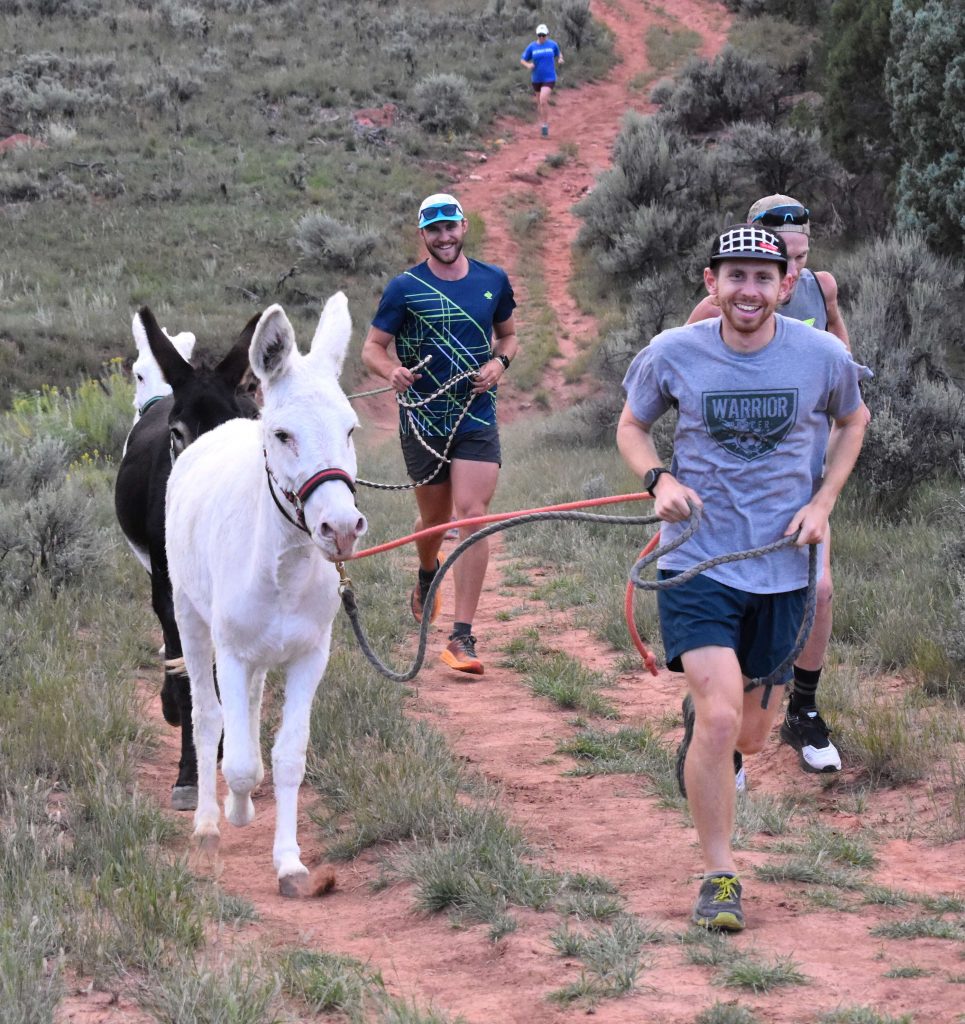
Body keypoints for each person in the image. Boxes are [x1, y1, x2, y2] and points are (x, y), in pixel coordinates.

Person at [618, 224, 869, 930]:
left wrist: (822, 502)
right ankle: (719, 875)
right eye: (734, 276)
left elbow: (854, 420)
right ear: (711, 283)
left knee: (750, 738)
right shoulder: (672, 352)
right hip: (696, 559)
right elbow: (630, 426)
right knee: (723, 714)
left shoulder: (820, 355)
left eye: (762, 277)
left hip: (783, 569)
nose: (748, 290)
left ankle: (708, 730)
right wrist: (656, 478)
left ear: (786, 285)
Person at [686, 195, 859, 776]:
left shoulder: (822, 286)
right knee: (742, 597)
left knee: (821, 589)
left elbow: (841, 350)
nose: (798, 267)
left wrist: (831, 377)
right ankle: (718, 712)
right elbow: (687, 373)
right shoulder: (714, 306)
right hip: (735, 483)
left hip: (803, 476)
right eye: (790, 253)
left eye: (802, 256)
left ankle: (804, 711)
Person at [361, 193, 518, 675]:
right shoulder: (404, 288)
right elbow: (372, 347)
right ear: (422, 235)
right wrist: (391, 371)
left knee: (472, 514)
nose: (444, 237)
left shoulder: (493, 280)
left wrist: (499, 362)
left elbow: (509, 335)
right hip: (424, 420)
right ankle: (428, 570)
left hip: (475, 415)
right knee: (434, 519)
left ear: (464, 226)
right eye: (434, 230)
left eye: (450, 227)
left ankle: (462, 637)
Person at [521, 23, 564, 138]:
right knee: (539, 103)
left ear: (547, 35)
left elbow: (558, 53)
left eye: (543, 35)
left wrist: (560, 58)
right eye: (539, 35)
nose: (541, 37)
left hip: (549, 77)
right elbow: (522, 59)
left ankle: (545, 125)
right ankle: (542, 122)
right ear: (537, 35)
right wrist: (528, 65)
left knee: (543, 100)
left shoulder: (552, 45)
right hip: (536, 78)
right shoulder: (532, 47)